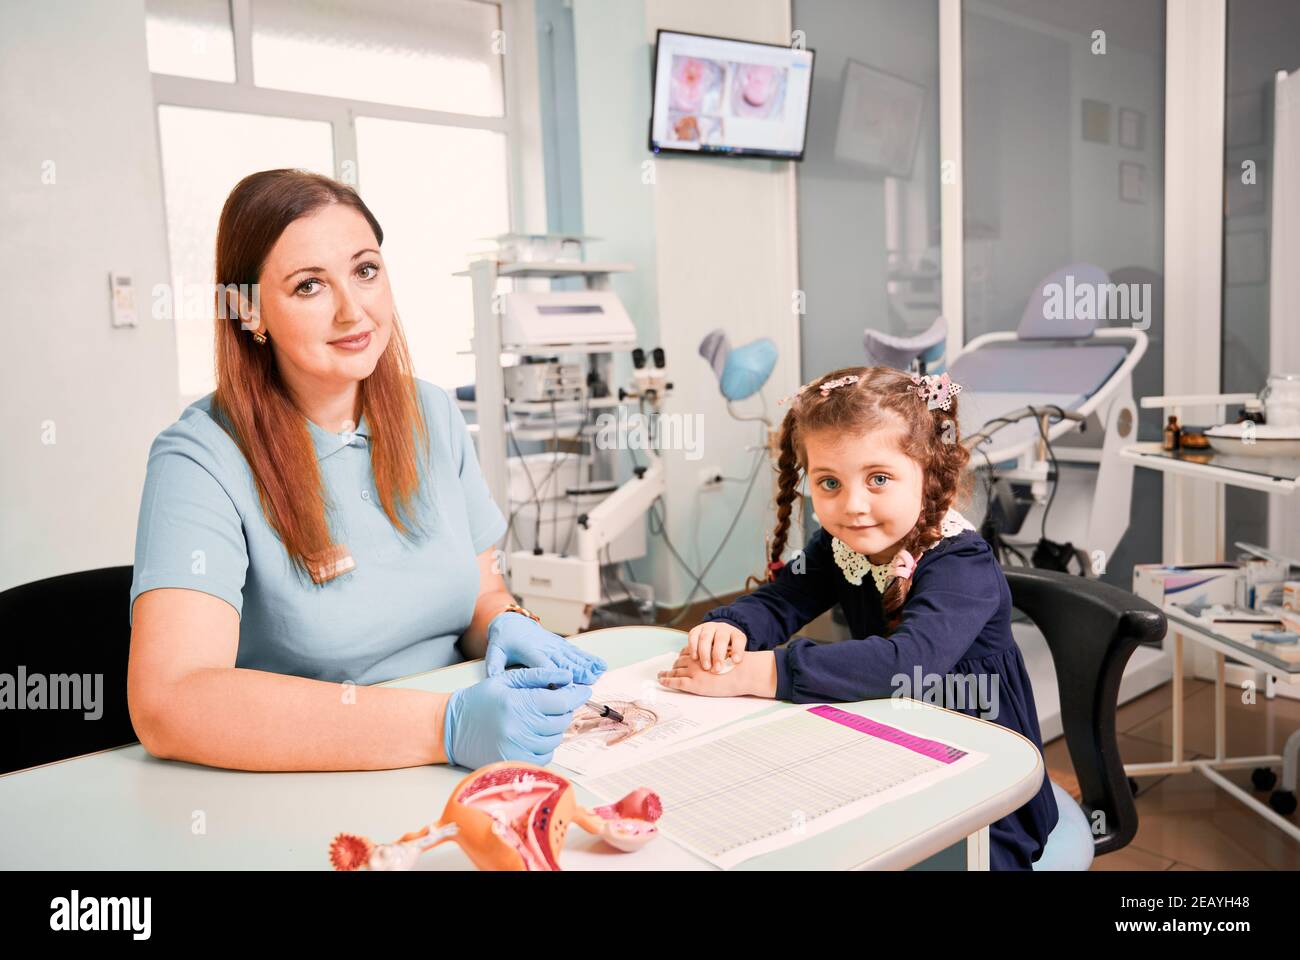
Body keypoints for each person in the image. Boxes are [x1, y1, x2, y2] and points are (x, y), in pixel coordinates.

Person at [127, 169, 600, 774]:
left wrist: (509, 623)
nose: (354, 311)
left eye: (366, 270)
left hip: (472, 758)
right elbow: (170, 702)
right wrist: (445, 727)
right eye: (308, 286)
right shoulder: (200, 460)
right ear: (249, 310)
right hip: (316, 774)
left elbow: (482, 589)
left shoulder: (431, 412)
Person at [657, 365, 1059, 869]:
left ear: (932, 475)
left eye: (879, 479)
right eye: (829, 482)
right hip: (893, 742)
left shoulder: (961, 563)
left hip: (982, 784)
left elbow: (905, 663)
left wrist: (761, 671)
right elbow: (786, 598)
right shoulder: (838, 544)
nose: (853, 505)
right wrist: (730, 626)